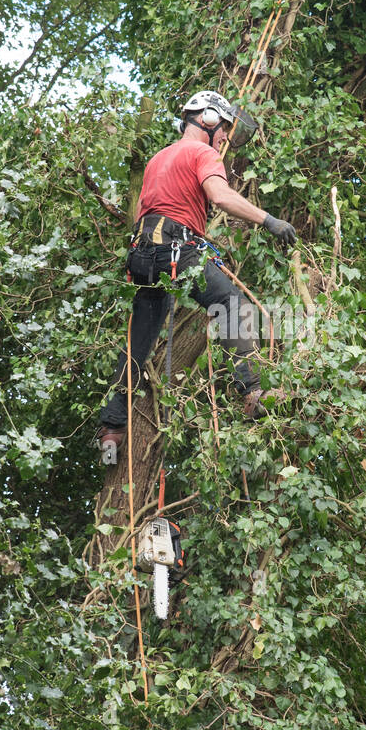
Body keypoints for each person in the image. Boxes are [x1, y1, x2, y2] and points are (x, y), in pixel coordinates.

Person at [96, 90, 297, 460]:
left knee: (139, 343)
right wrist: (269, 220)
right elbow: (220, 197)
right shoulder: (202, 153)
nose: (224, 139)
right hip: (176, 247)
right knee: (230, 300)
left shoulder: (159, 157)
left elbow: (150, 209)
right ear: (206, 120)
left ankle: (112, 429)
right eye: (223, 129)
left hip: (142, 256)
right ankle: (251, 392)